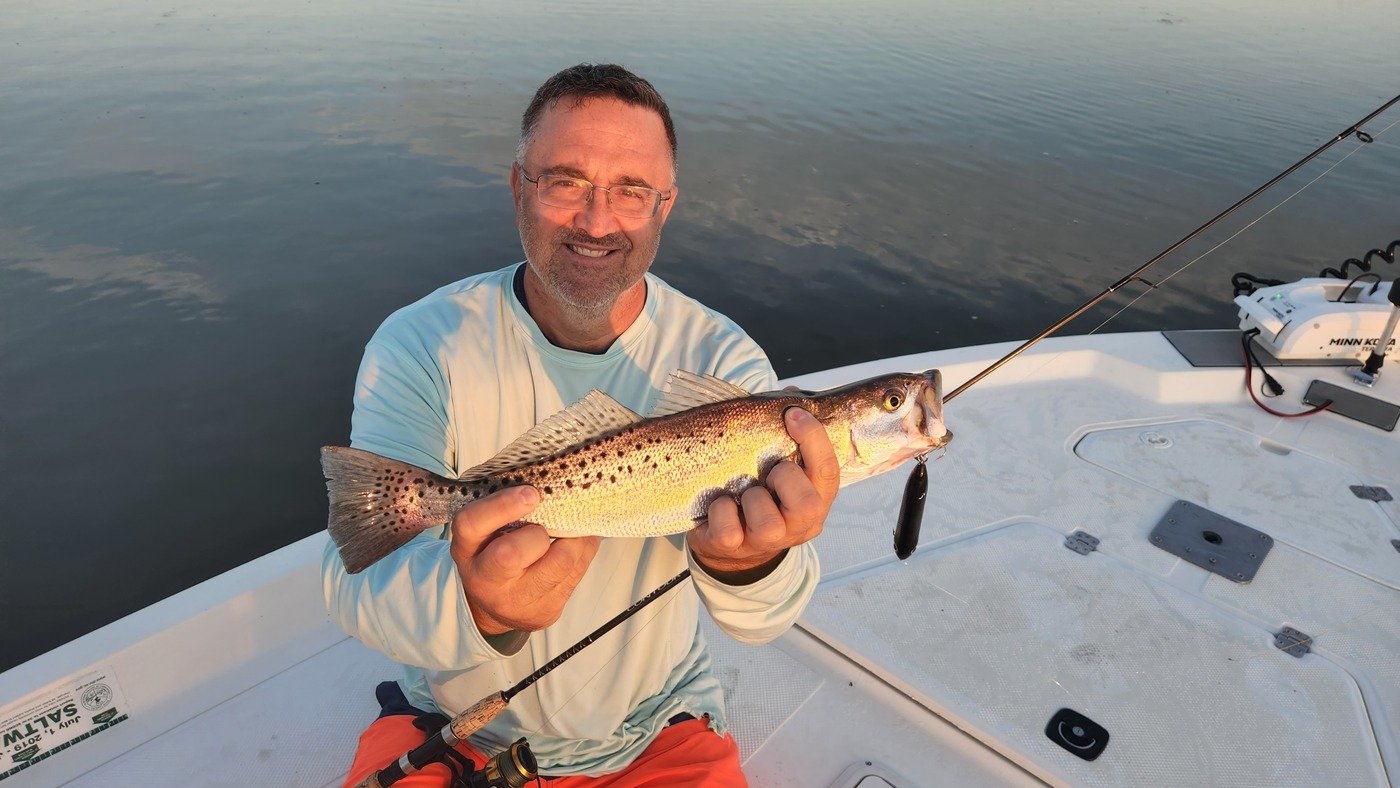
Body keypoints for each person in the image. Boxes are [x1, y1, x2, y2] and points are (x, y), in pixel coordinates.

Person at [324, 63, 837, 786]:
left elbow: (765, 621)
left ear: (666, 206)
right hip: (452, 730)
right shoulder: (422, 343)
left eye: (631, 191)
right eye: (566, 182)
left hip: (657, 731)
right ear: (518, 188)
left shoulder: (723, 363)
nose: (597, 222)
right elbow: (353, 582)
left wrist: (747, 561)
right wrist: (477, 606)